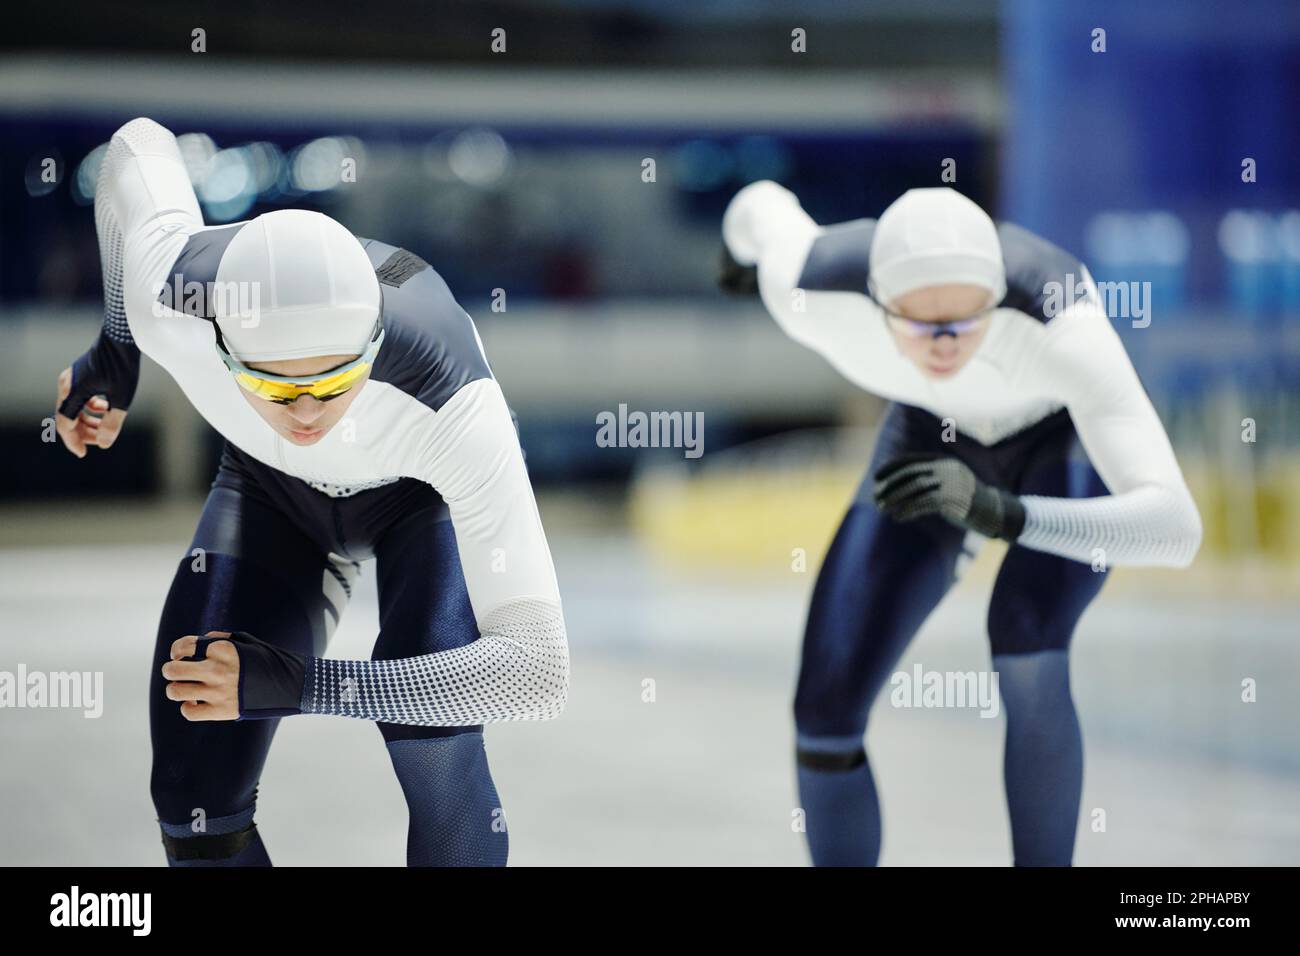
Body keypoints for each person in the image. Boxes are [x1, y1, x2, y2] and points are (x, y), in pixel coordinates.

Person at [54, 118, 569, 867]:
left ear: (374, 348)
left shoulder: (456, 405)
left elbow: (537, 674)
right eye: (272, 386)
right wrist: (117, 346)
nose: (304, 415)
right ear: (221, 343)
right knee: (193, 794)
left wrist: (300, 685)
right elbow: (136, 144)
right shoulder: (171, 298)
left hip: (417, 501)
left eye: (333, 385)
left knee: (434, 741)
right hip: (270, 494)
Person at [720, 181, 1202, 866]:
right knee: (825, 705)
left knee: (1026, 637)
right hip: (927, 433)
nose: (946, 346)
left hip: (1054, 440)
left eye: (968, 322)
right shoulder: (811, 291)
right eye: (920, 325)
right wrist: (736, 253)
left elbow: (1178, 527)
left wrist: (1003, 514)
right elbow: (761, 208)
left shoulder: (1060, 317)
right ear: (876, 303)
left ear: (999, 295)